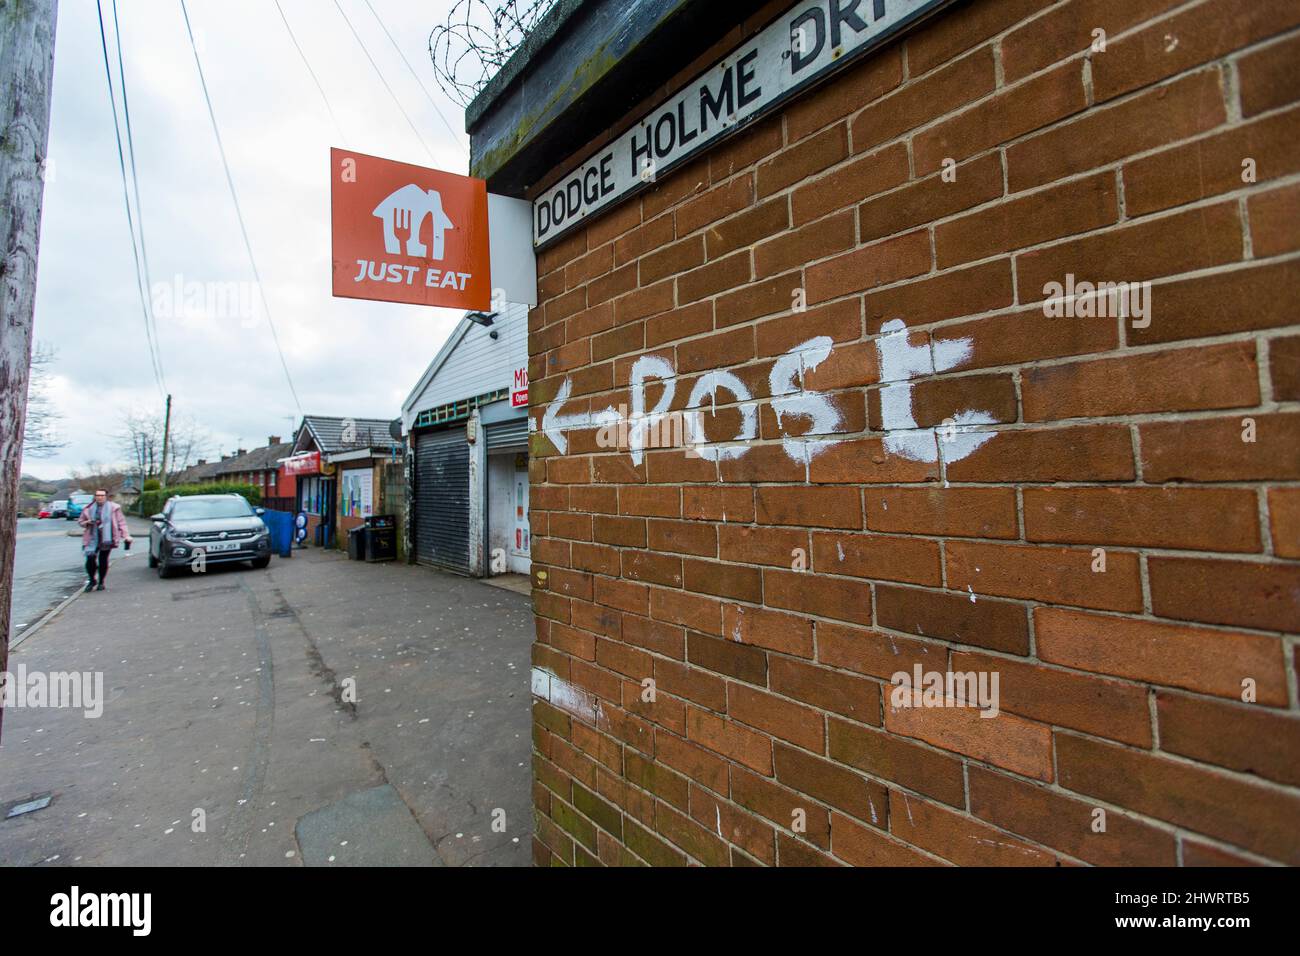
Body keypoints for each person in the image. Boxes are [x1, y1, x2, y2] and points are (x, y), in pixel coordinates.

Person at [78, 488, 131, 591]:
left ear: (106, 497)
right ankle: (92, 580)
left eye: (102, 495)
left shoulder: (114, 508)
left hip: (107, 537)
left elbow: (121, 522)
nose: (100, 497)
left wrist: (126, 535)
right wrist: (87, 522)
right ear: (95, 496)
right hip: (92, 537)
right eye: (98, 495)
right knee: (90, 559)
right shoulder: (88, 508)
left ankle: (101, 581)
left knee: (103, 560)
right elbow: (80, 522)